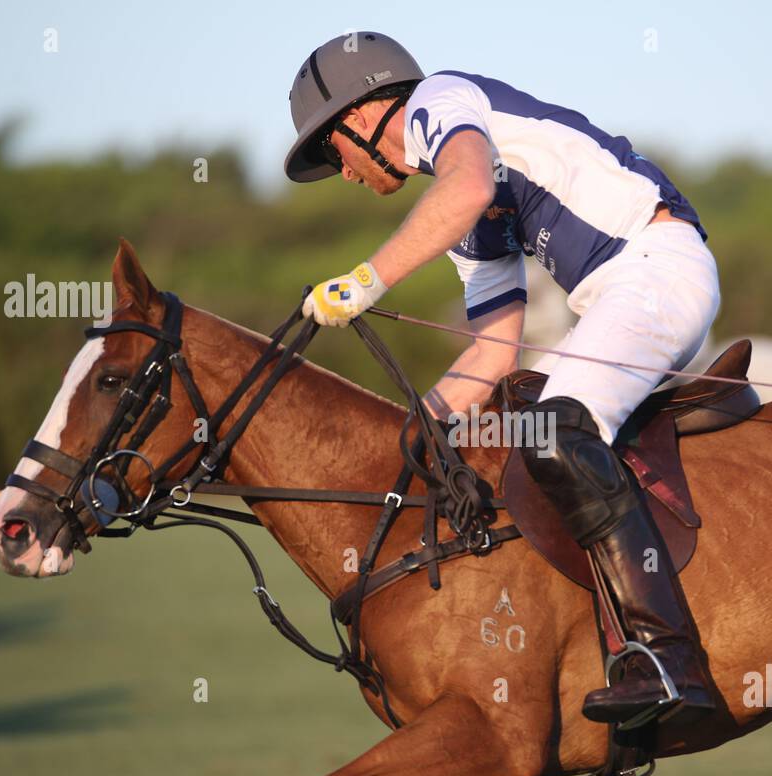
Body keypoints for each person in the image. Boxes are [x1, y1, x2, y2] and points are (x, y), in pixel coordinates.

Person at [284, 32, 721, 727]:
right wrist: (413, 433)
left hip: (656, 268)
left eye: (330, 148)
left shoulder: (439, 102)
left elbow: (468, 184)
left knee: (554, 426)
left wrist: (368, 280)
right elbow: (491, 354)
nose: (343, 172)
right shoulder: (465, 216)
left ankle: (671, 660)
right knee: (522, 426)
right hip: (621, 292)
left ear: (361, 117)